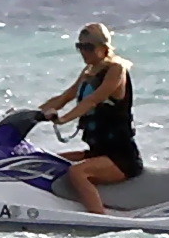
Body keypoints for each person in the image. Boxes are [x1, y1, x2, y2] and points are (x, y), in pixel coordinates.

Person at [38, 22, 143, 215]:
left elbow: (93, 100)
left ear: (104, 48)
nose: (83, 52)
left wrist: (62, 120)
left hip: (120, 157)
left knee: (77, 172)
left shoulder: (116, 70)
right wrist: (32, 115)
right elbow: (64, 97)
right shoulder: (89, 72)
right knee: (47, 161)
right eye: (80, 47)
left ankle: (99, 218)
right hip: (97, 152)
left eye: (88, 47)